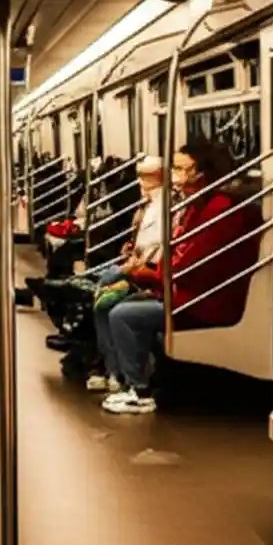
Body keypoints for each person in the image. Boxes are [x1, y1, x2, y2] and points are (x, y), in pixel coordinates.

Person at [95, 141, 263, 415]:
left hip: (205, 301)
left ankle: (139, 390)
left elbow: (190, 261)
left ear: (202, 172)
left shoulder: (220, 212)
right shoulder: (201, 205)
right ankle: (129, 376)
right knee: (120, 297)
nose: (175, 175)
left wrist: (153, 275)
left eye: (180, 168)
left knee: (122, 314)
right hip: (189, 291)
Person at [87, 155, 165, 393]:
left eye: (147, 177)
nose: (141, 182)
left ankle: (118, 373)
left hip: (145, 271)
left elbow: (158, 247)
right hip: (134, 264)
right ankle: (111, 369)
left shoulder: (164, 206)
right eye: (140, 176)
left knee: (105, 299)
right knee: (99, 288)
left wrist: (133, 263)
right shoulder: (147, 204)